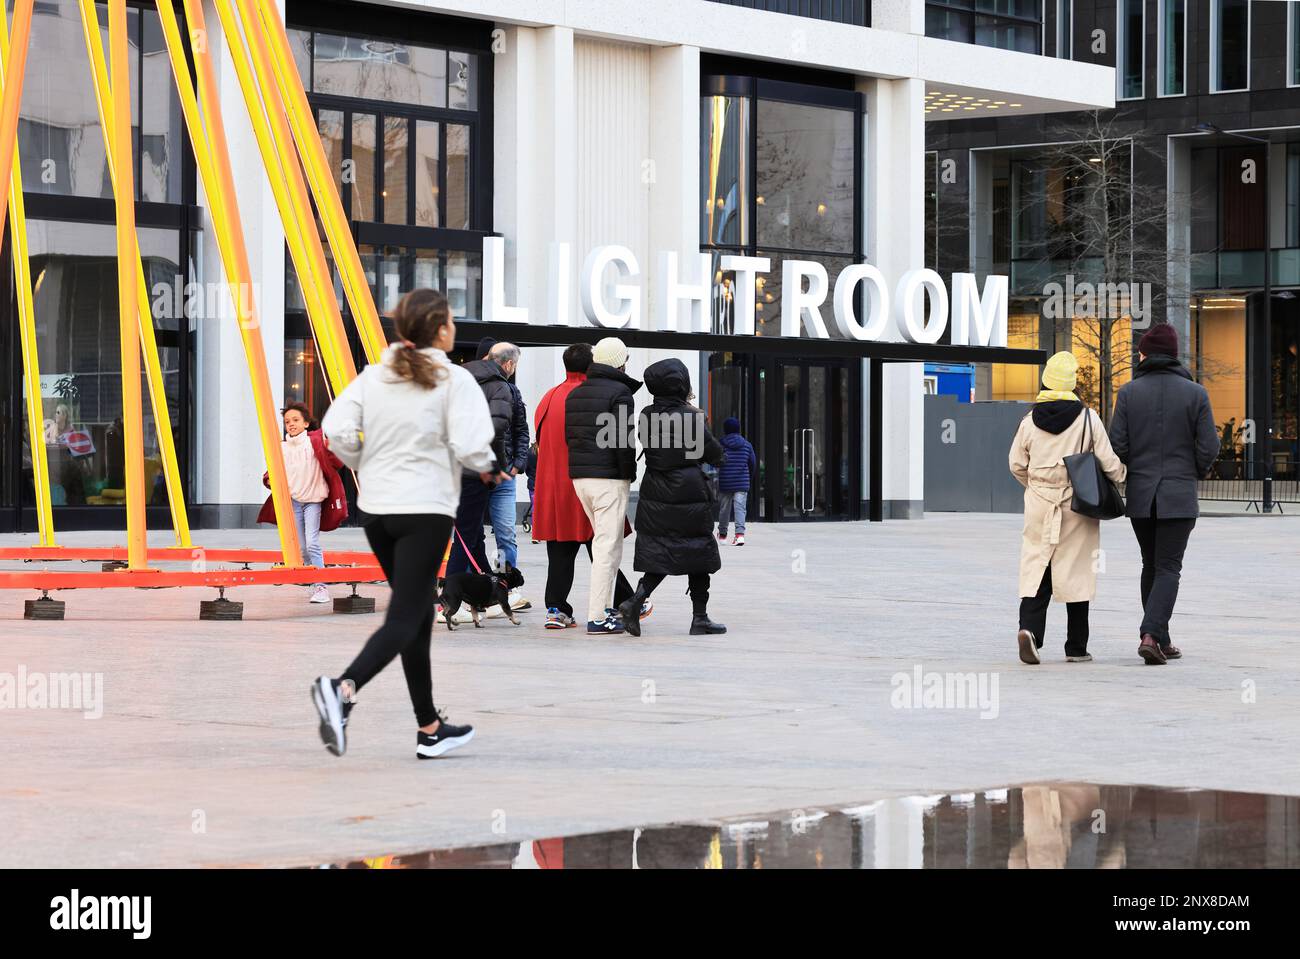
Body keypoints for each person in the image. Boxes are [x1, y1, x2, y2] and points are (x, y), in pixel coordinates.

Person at [313, 288, 505, 760]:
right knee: (406, 615)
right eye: (451, 322)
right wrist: (485, 465)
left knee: (418, 613)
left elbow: (335, 432)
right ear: (441, 330)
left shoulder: (373, 377)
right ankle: (341, 689)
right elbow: (474, 441)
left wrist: (363, 459)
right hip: (424, 510)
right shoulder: (452, 379)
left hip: (377, 509)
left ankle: (430, 727)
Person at [1109, 323, 1220, 665]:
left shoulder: (1127, 393)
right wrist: (1192, 472)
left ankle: (1161, 637)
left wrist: (1136, 471)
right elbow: (1209, 447)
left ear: (1144, 354)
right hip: (1178, 495)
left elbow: (1118, 446)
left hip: (1142, 497)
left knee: (1151, 565)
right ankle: (1151, 634)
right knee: (1169, 567)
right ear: (1174, 355)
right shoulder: (1196, 394)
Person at [1008, 351, 1125, 665]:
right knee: (1078, 570)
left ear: (1047, 381)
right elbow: (1107, 461)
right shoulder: (1088, 417)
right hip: (1077, 502)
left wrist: (1036, 488)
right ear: (1072, 384)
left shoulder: (1029, 420)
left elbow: (1016, 464)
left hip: (1039, 502)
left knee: (1037, 566)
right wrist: (1123, 477)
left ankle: (1029, 630)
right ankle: (1076, 647)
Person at [534, 342, 646, 630]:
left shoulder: (549, 397)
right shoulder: (600, 394)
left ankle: (556, 608)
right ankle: (620, 604)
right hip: (593, 479)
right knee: (603, 546)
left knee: (561, 551)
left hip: (557, 485)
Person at [617, 358, 727, 637]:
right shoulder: (690, 417)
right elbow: (714, 453)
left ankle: (634, 601)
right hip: (688, 491)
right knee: (698, 552)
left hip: (655, 490)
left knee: (662, 552)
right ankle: (699, 618)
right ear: (681, 384)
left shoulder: (646, 414)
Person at [565, 336, 641, 634]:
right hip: (608, 477)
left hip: (580, 478)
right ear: (620, 361)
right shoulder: (620, 392)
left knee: (605, 544)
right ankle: (598, 617)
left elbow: (569, 438)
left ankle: (605, 608)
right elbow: (623, 440)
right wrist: (629, 473)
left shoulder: (576, 394)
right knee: (607, 547)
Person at [256, 401, 347, 604]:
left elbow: (336, 461)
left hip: (313, 500)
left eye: (296, 420)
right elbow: (273, 469)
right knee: (302, 547)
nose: (291, 424)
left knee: (312, 543)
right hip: (294, 501)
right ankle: (314, 579)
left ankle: (321, 586)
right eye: (287, 421)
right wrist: (269, 478)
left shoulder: (315, 441)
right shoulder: (282, 447)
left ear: (306, 423)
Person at [446, 345, 515, 577]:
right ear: (508, 364)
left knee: (472, 533)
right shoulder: (500, 386)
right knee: (466, 536)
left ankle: (488, 587)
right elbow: (496, 430)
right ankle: (451, 599)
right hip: (475, 471)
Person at [487, 342, 530, 606]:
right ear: (509, 364)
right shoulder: (478, 387)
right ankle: (479, 583)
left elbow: (521, 431)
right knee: (472, 533)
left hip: (504, 476)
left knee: (505, 534)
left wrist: (517, 463)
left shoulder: (513, 393)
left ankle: (505, 584)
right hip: (479, 475)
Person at [716, 417, 757, 546]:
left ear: (725, 429)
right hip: (742, 482)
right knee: (740, 508)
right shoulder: (747, 444)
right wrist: (748, 477)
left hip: (726, 481)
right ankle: (739, 535)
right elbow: (753, 463)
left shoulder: (721, 443)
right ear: (739, 429)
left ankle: (722, 535)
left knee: (724, 509)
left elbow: (716, 460)